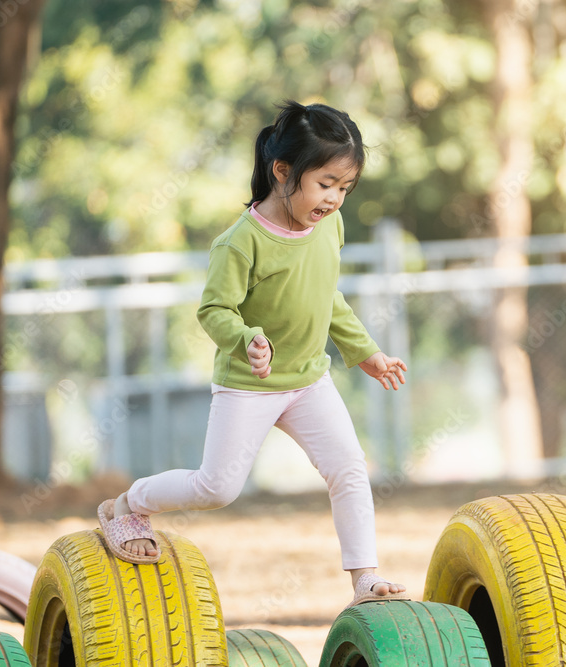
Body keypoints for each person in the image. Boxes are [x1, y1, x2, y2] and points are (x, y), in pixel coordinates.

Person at [97, 100, 408, 607]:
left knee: (349, 467)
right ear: (282, 171)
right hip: (250, 383)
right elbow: (214, 310)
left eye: (344, 189)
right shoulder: (239, 242)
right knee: (216, 488)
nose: (334, 199)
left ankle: (363, 579)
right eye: (325, 183)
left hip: (309, 379)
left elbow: (328, 294)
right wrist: (247, 339)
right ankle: (128, 505)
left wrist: (366, 352)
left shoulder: (329, 226)